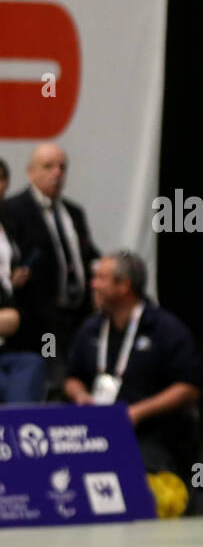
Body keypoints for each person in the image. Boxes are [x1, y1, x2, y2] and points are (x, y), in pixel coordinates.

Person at [64, 252, 201, 476]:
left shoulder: (165, 329)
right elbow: (72, 378)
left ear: (123, 285)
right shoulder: (90, 328)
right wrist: (80, 395)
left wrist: (138, 412)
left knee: (137, 473)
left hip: (149, 434)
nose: (93, 284)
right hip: (92, 432)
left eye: (101, 278)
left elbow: (188, 388)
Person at [1, 143, 100, 387]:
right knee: (51, 376)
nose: (56, 173)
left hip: (76, 317)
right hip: (40, 321)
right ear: (30, 171)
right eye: (48, 167)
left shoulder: (73, 212)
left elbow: (89, 255)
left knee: (78, 376)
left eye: (61, 167)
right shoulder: (13, 210)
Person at [0, 157, 46, 403]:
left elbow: (12, 319)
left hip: (10, 341)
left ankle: (16, 433)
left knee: (32, 364)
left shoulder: (10, 221)